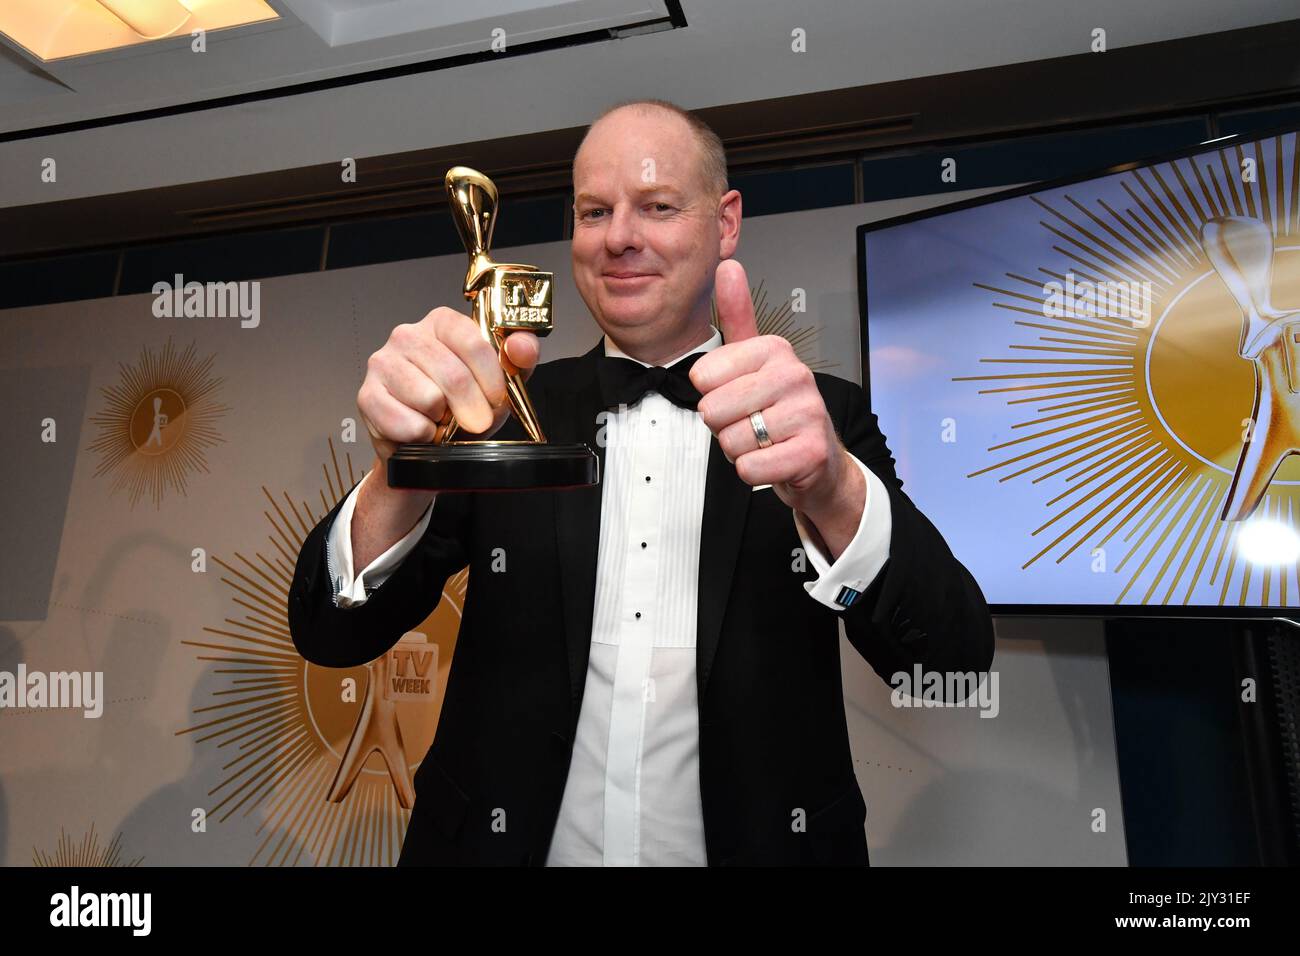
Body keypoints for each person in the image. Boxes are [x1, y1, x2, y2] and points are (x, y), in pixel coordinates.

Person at [289, 98, 994, 866]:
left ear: (725, 222)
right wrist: (401, 470)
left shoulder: (821, 421)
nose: (619, 237)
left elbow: (947, 669)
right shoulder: (504, 411)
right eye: (595, 211)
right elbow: (332, 635)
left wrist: (831, 490)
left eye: (657, 206)